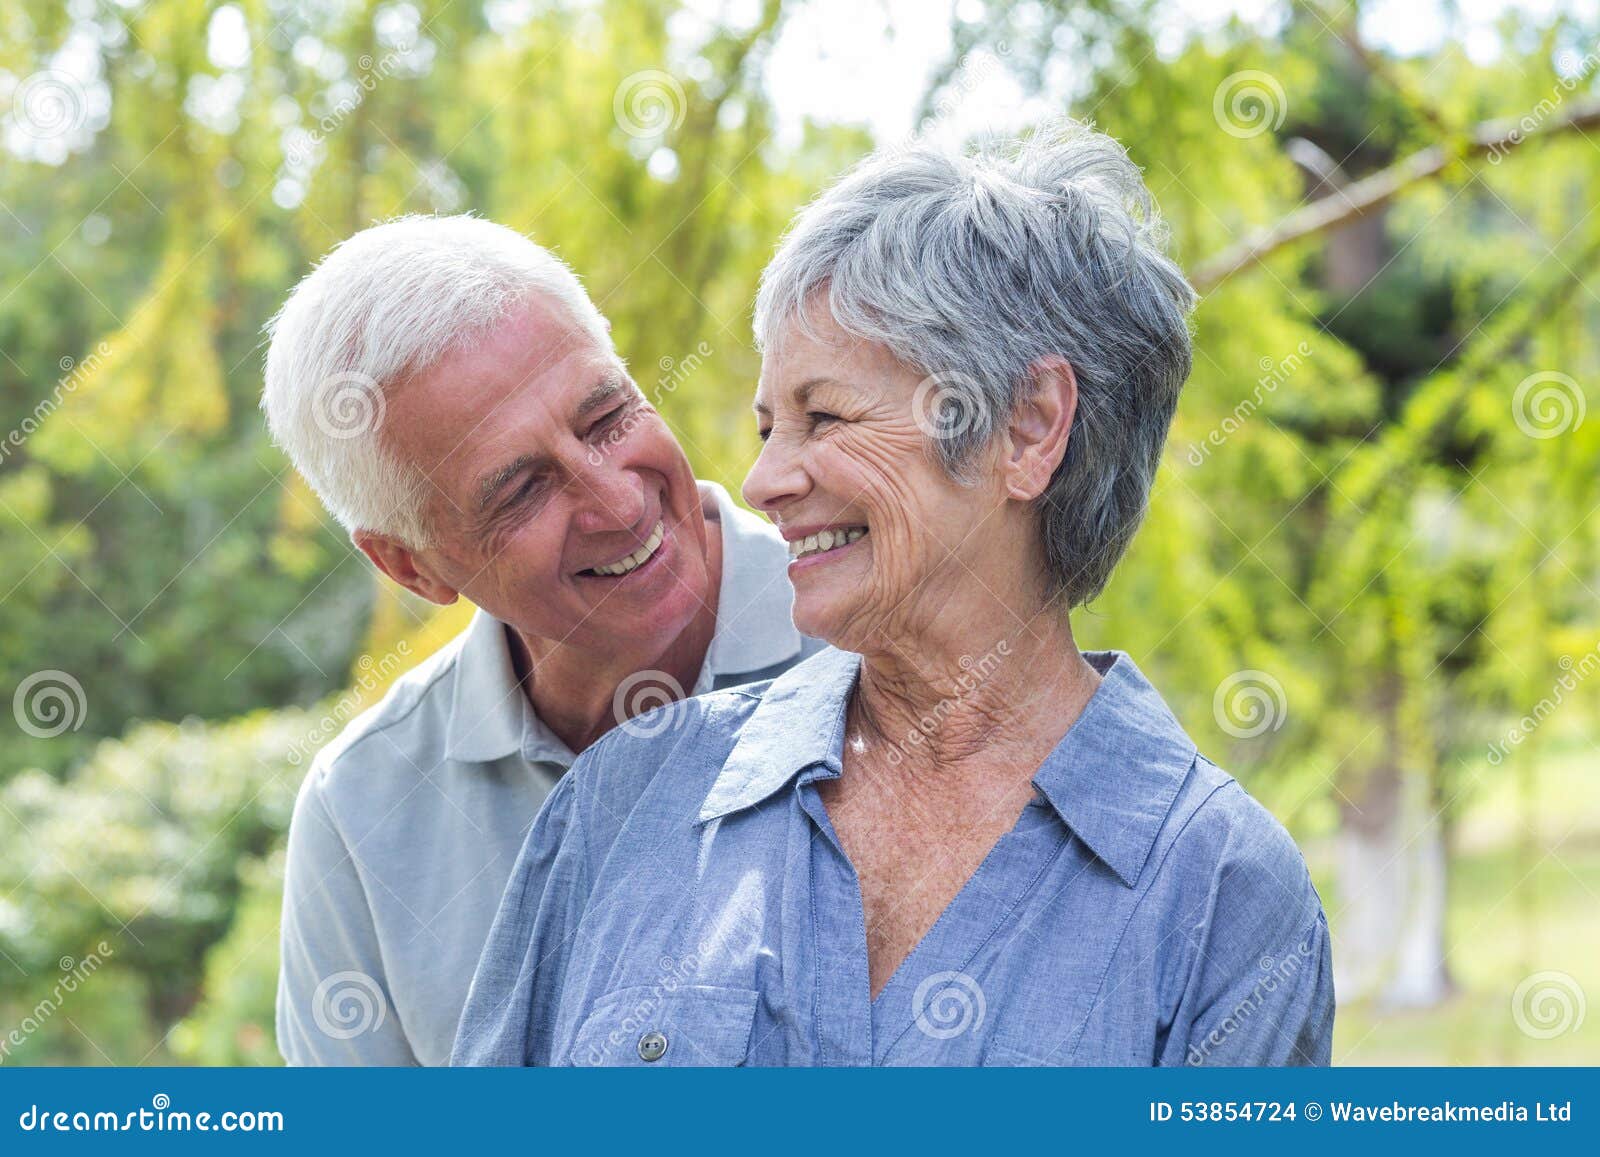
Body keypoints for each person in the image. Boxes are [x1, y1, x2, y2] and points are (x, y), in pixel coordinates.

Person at [452, 123, 1334, 1067]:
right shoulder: (623, 799)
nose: (762, 482)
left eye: (824, 416)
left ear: (1027, 428)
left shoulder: (1222, 896)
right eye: (768, 427)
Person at [262, 215, 818, 1065]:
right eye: (521, 490)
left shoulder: (893, 644)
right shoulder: (363, 814)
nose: (619, 503)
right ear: (411, 566)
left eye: (606, 417)